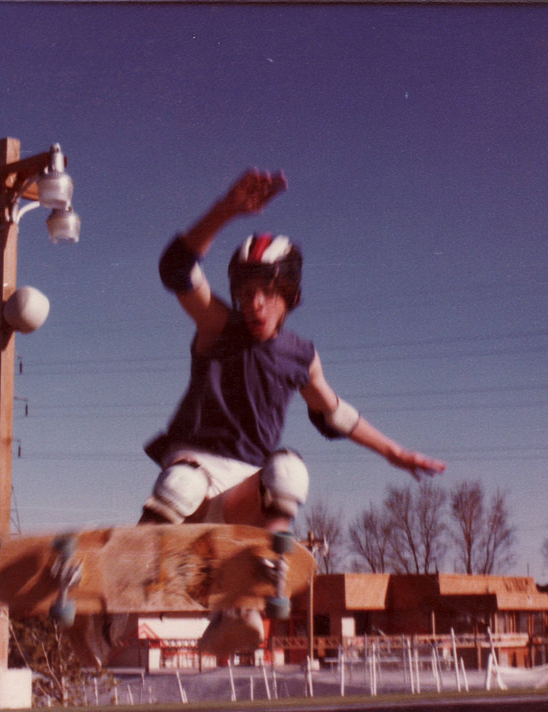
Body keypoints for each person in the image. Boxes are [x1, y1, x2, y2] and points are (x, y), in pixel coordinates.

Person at [139, 168, 446, 656]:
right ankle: (128, 581)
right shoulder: (219, 325)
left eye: (265, 293)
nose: (253, 304)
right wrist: (225, 209)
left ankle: (244, 600)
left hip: (241, 498)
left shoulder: (301, 355)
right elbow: (176, 269)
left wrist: (393, 452)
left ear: (289, 296)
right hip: (192, 480)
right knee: (186, 483)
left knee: (288, 471)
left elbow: (335, 414)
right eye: (244, 294)